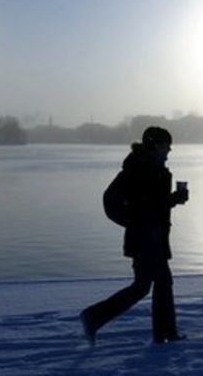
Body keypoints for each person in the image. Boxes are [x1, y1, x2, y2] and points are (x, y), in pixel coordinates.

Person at [80, 126, 189, 345]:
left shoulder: (147, 167)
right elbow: (146, 206)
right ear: (156, 146)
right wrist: (172, 200)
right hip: (147, 238)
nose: (169, 150)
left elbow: (149, 205)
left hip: (151, 236)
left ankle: (163, 332)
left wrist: (169, 201)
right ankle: (163, 333)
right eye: (167, 145)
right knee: (155, 283)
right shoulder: (143, 169)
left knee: (147, 285)